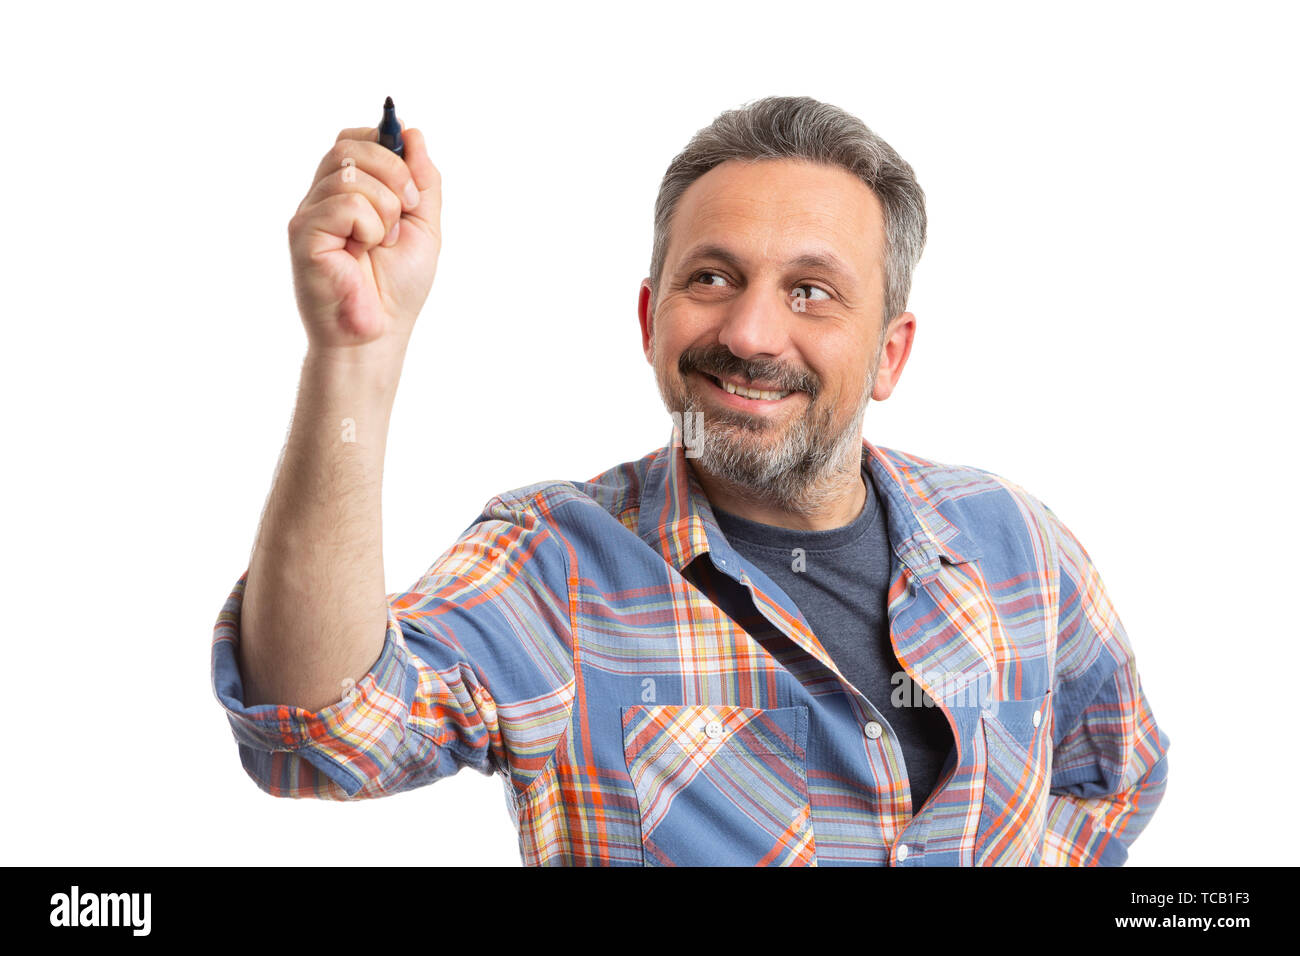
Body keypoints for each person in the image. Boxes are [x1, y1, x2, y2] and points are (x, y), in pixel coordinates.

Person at [211, 95, 1170, 866]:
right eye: (711, 278)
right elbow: (318, 731)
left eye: (810, 292)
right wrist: (354, 353)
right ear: (649, 318)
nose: (750, 334)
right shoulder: (554, 565)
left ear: (890, 353)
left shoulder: (1013, 542)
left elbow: (1115, 772)